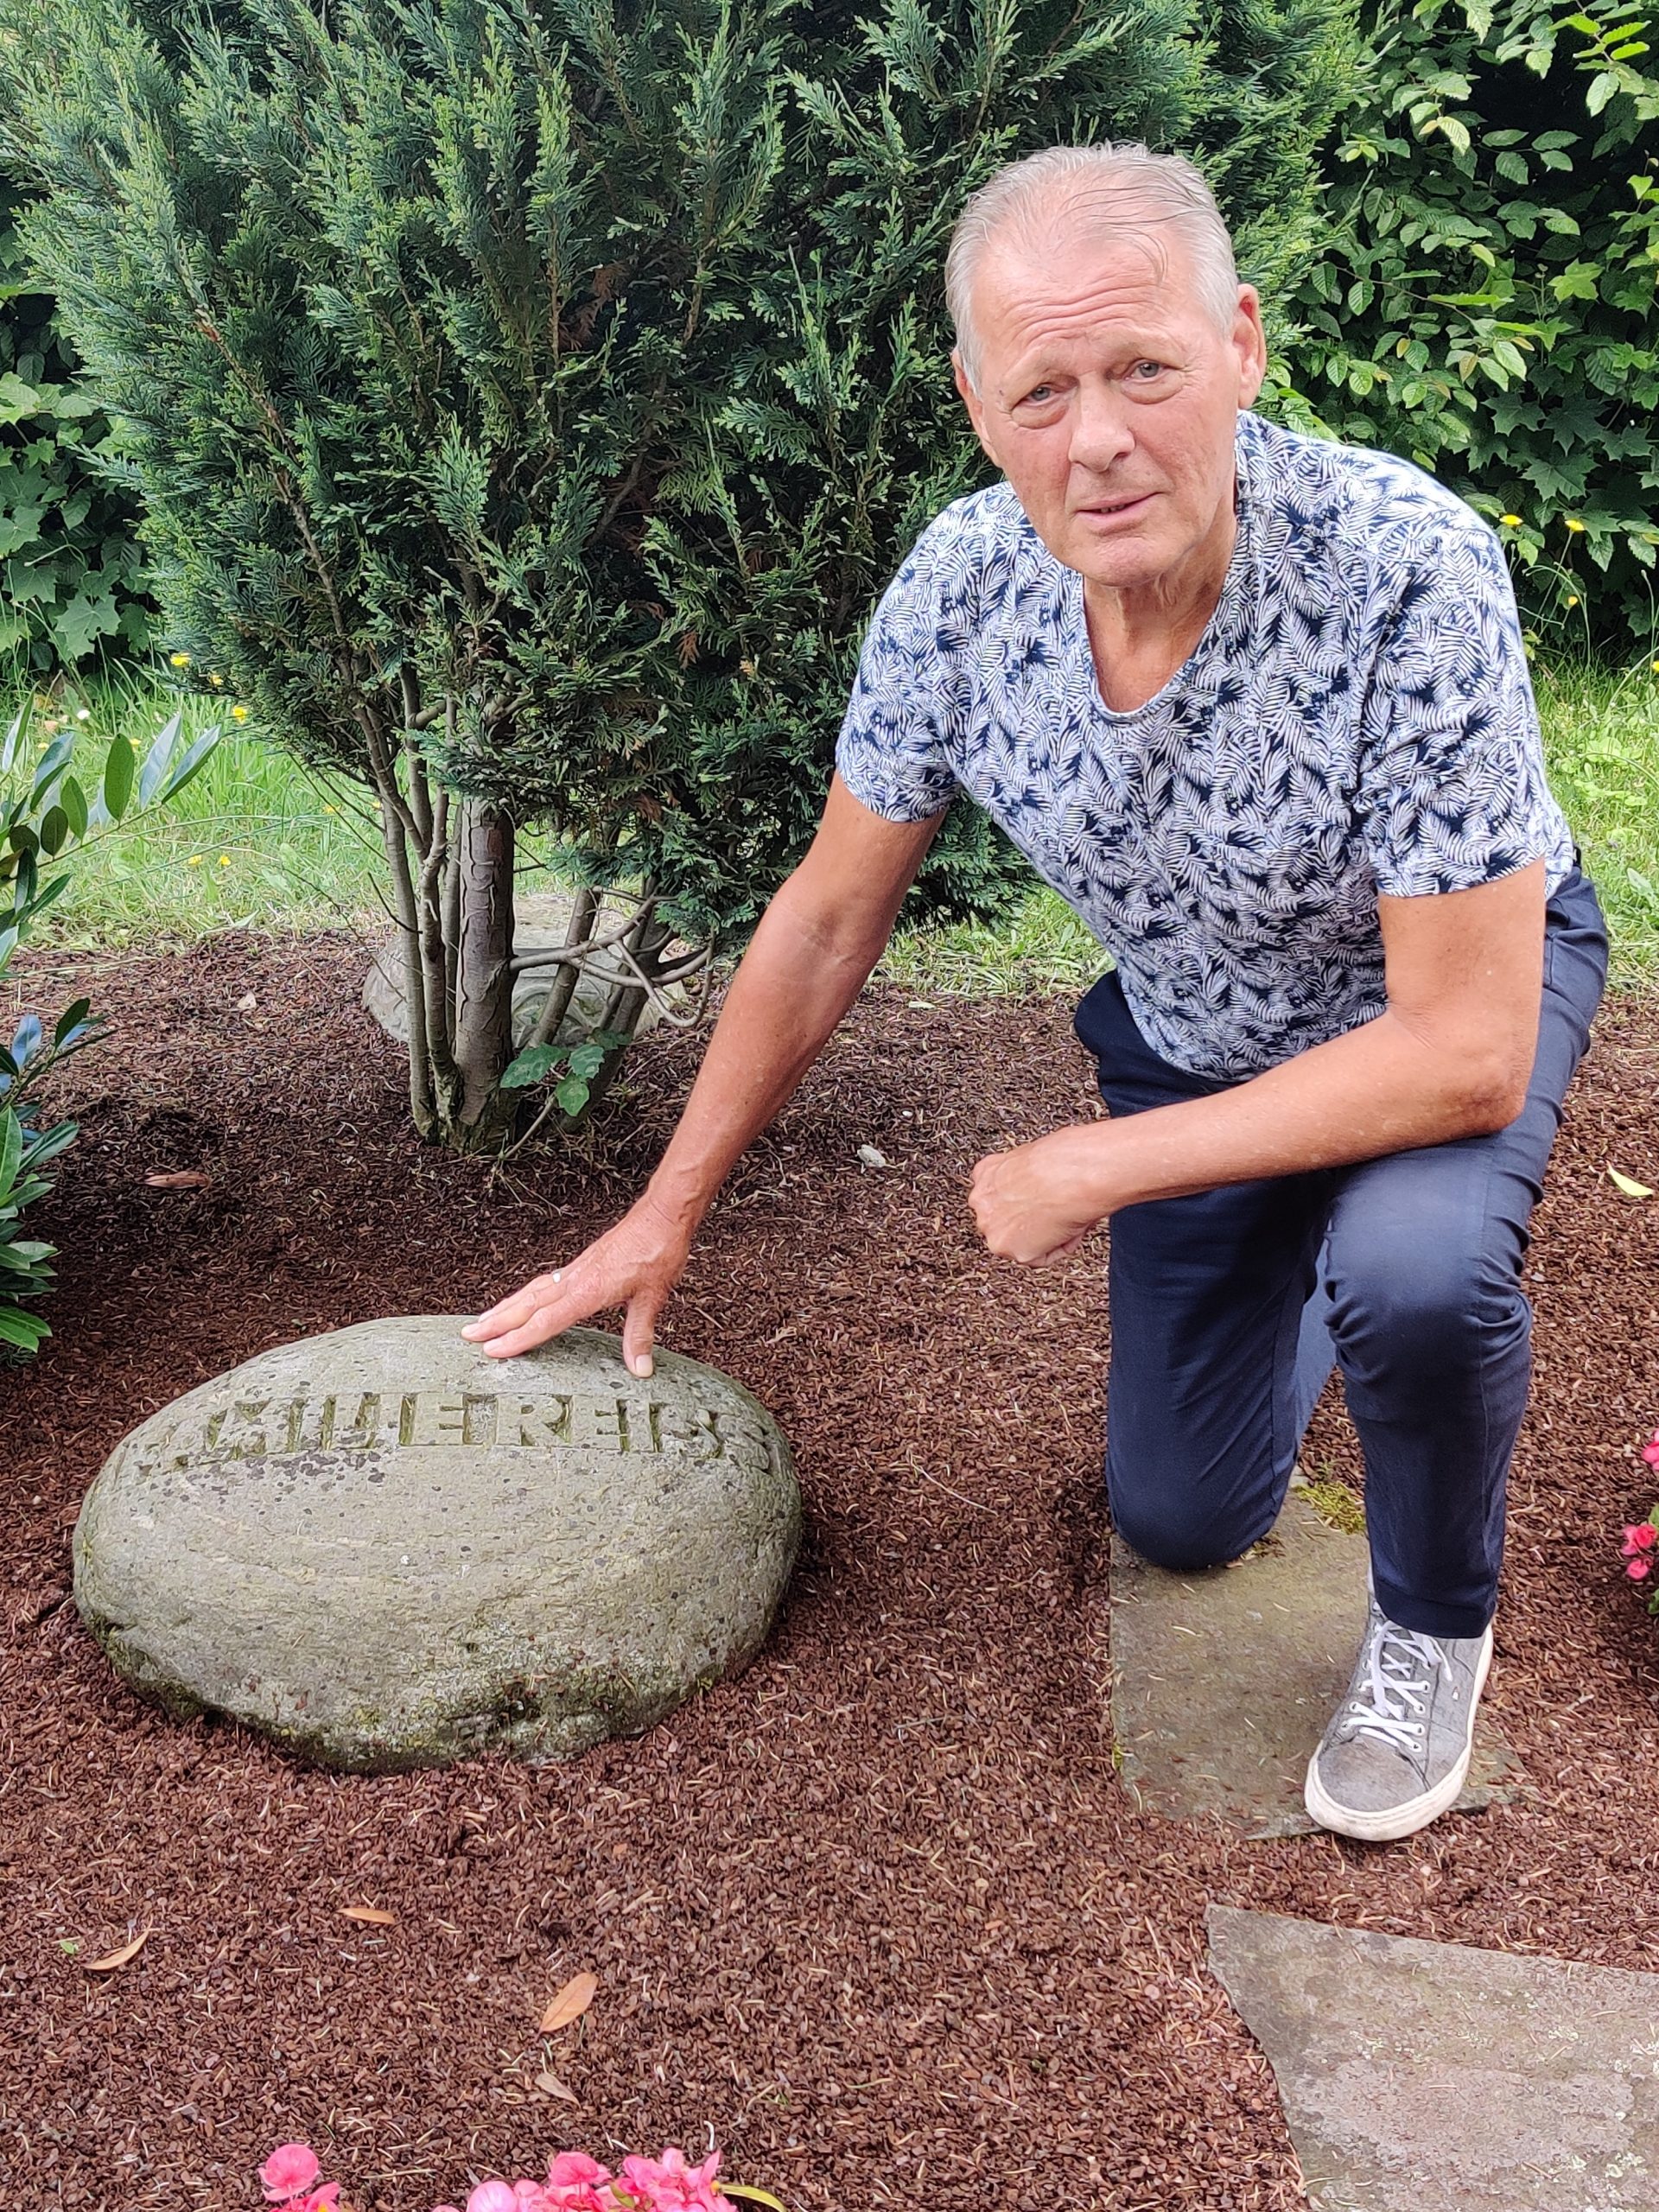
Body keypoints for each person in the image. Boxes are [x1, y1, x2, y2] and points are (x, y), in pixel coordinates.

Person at [465, 143, 1605, 1844]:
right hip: (1196, 1030)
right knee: (1185, 1510)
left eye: (1144, 367)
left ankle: (1434, 1621)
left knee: (1416, 1268)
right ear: (977, 402)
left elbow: (1462, 1050)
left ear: (1240, 343)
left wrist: (1095, 1165)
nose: (1099, 439)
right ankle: (1305, 1233)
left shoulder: (1406, 570)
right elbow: (829, 914)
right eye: (1044, 388)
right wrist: (663, 1209)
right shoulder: (959, 588)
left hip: (1425, 999)